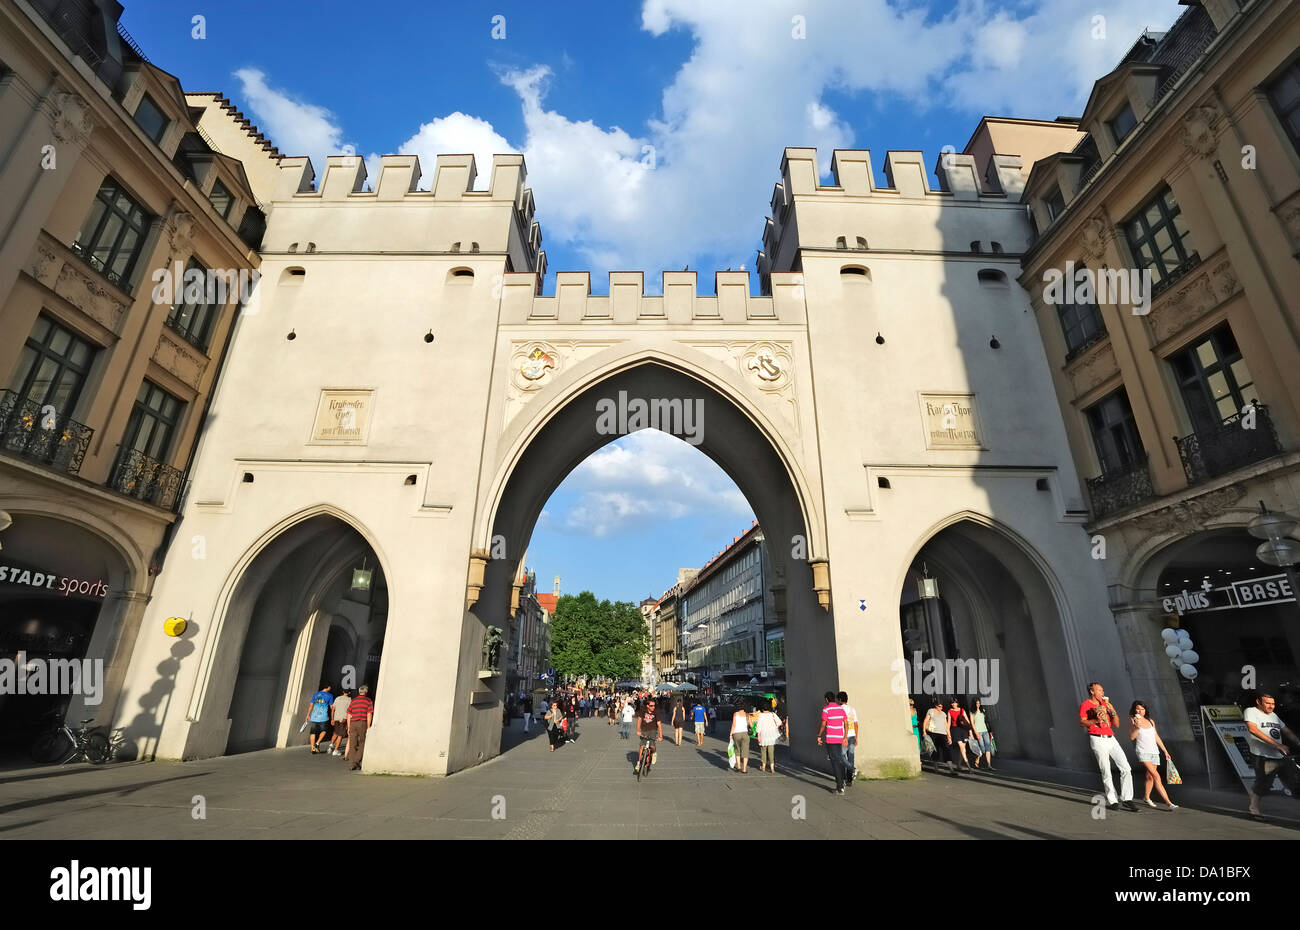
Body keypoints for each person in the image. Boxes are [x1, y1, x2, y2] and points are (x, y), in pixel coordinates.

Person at [1080, 682, 1137, 812]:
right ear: (1092, 692)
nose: (1102, 692)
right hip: (1097, 739)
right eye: (1099, 690)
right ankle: (1113, 800)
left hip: (1111, 739)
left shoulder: (1105, 704)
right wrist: (1095, 720)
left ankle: (1127, 798)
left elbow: (1116, 724)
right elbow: (1082, 722)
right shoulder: (1086, 704)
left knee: (1126, 768)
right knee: (1106, 770)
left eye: (1103, 690)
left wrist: (1112, 710)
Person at [1244, 691, 1295, 820]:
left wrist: (1298, 742)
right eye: (1267, 703)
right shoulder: (1251, 711)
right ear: (1258, 702)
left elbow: (1286, 731)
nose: (1271, 706)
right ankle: (1253, 808)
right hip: (1262, 754)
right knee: (1264, 782)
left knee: (1294, 780)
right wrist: (1277, 745)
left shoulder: (1274, 715)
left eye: (1273, 704)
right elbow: (1252, 729)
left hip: (1279, 755)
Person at [1128, 701, 1177, 810]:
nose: (1140, 711)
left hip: (1154, 752)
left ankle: (1146, 797)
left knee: (1150, 776)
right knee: (1156, 776)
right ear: (1134, 710)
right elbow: (1132, 737)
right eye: (1138, 709)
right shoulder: (1133, 720)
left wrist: (1165, 751)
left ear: (1145, 710)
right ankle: (1168, 802)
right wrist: (1137, 726)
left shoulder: (1150, 721)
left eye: (1142, 709)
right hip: (1143, 751)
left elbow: (1156, 736)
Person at [816, 691, 848, 794]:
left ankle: (840, 787)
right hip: (839, 738)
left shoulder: (826, 709)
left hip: (831, 739)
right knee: (839, 759)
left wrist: (819, 735)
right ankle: (843, 782)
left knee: (835, 761)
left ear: (826, 699)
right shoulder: (840, 708)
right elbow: (846, 723)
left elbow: (823, 724)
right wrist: (845, 737)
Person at [922, 699, 955, 774]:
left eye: (942, 706)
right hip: (934, 733)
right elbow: (926, 720)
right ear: (936, 706)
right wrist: (924, 731)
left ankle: (951, 769)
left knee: (947, 750)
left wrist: (949, 736)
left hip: (943, 734)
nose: (941, 708)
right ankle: (936, 768)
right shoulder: (931, 711)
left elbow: (946, 725)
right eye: (939, 706)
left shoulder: (943, 713)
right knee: (935, 751)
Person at [346, 684, 374, 770]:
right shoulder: (368, 701)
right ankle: (356, 761)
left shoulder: (353, 701)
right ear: (366, 692)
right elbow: (369, 714)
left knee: (352, 744)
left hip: (353, 723)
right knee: (362, 742)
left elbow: (348, 714)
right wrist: (368, 726)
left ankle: (351, 764)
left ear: (359, 692)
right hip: (362, 723)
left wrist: (348, 726)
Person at [304, 683, 334, 754]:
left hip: (314, 717)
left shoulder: (316, 694)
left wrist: (308, 715)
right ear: (328, 687)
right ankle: (317, 743)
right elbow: (331, 707)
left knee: (313, 732)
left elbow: (311, 705)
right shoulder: (330, 695)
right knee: (324, 731)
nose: (331, 688)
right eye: (330, 687)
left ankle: (312, 749)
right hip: (324, 717)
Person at [635, 698, 663, 772]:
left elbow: (659, 724)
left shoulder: (656, 712)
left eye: (654, 706)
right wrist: (638, 730)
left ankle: (654, 753)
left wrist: (660, 736)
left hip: (653, 730)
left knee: (652, 746)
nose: (653, 707)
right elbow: (639, 720)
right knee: (642, 746)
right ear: (647, 706)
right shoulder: (643, 710)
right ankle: (638, 763)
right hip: (644, 729)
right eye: (651, 706)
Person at [947, 699, 974, 772]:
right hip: (955, 730)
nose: (953, 704)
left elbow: (967, 721)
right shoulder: (950, 711)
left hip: (963, 730)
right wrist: (948, 734)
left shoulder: (962, 710)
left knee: (963, 749)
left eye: (954, 703)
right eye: (952, 703)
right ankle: (969, 767)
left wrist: (970, 731)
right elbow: (949, 723)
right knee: (962, 748)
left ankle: (958, 765)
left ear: (957, 703)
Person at [755, 704, 783, 773]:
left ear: (762, 709)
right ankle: (772, 768)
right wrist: (774, 726)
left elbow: (759, 726)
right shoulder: (772, 714)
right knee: (771, 752)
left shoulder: (760, 715)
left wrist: (758, 736)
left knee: (763, 751)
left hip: (763, 735)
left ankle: (763, 767)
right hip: (772, 735)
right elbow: (780, 722)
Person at [838, 691, 858, 783]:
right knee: (851, 756)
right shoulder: (852, 709)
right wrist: (856, 737)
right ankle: (849, 779)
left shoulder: (839, 709)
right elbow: (856, 724)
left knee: (841, 756)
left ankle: (852, 769)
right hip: (852, 735)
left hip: (843, 736)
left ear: (840, 699)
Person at [969, 698, 993, 770]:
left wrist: (990, 731)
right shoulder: (972, 712)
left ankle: (989, 765)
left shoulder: (983, 710)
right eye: (976, 703)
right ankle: (977, 759)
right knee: (982, 748)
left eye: (979, 703)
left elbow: (986, 721)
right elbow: (972, 723)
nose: (978, 705)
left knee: (988, 747)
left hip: (985, 731)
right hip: (978, 731)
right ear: (974, 704)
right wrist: (976, 733)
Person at [330, 688, 352, 756]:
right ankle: (335, 750)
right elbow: (350, 711)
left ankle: (331, 745)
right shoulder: (349, 700)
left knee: (336, 733)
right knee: (340, 735)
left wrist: (332, 719)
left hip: (336, 718)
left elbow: (333, 709)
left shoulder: (337, 698)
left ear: (343, 692)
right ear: (349, 693)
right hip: (343, 719)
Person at [730, 705, 751, 773]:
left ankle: (738, 766)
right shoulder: (747, 715)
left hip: (736, 734)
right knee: (745, 751)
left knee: (737, 750)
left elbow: (733, 725)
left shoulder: (735, 714)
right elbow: (751, 724)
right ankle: (744, 769)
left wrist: (731, 734)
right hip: (745, 734)